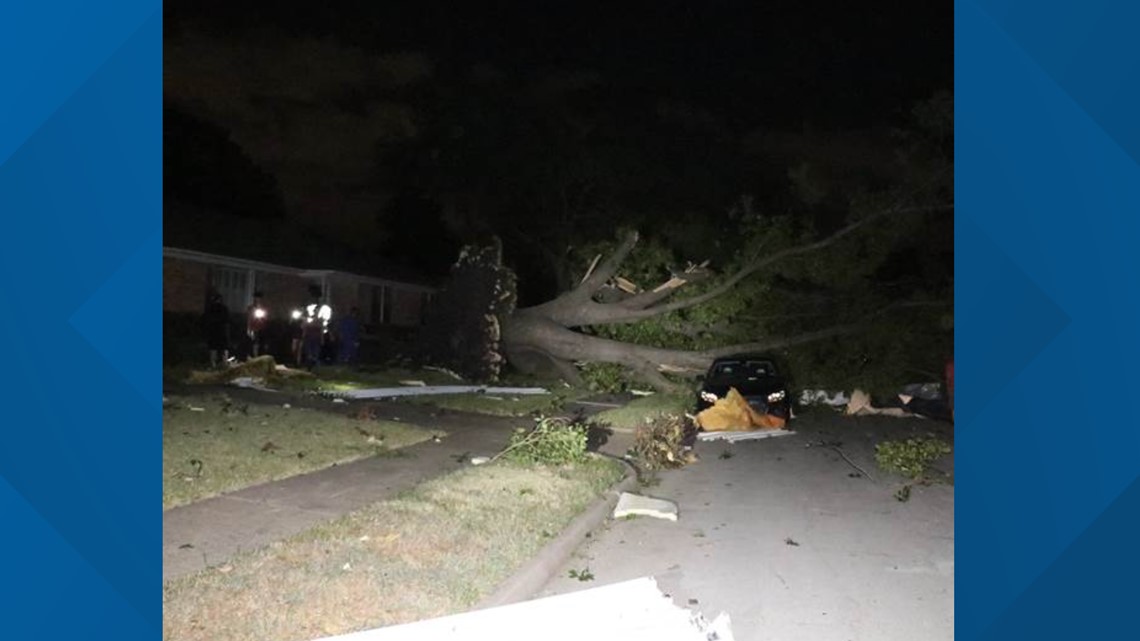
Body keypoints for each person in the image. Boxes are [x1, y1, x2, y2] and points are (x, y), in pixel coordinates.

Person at [201, 289, 230, 368]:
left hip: (213, 331)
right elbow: (227, 320)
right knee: (224, 348)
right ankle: (225, 363)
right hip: (222, 331)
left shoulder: (210, 309)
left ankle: (213, 364)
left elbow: (206, 320)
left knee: (213, 348)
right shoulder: (224, 308)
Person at [245, 292, 268, 358]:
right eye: (256, 298)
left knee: (261, 344)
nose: (257, 299)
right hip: (254, 328)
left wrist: (262, 316)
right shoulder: (251, 308)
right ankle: (254, 356)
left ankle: (259, 357)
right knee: (254, 343)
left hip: (262, 328)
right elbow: (249, 319)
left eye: (258, 298)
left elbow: (265, 318)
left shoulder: (264, 308)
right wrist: (248, 328)